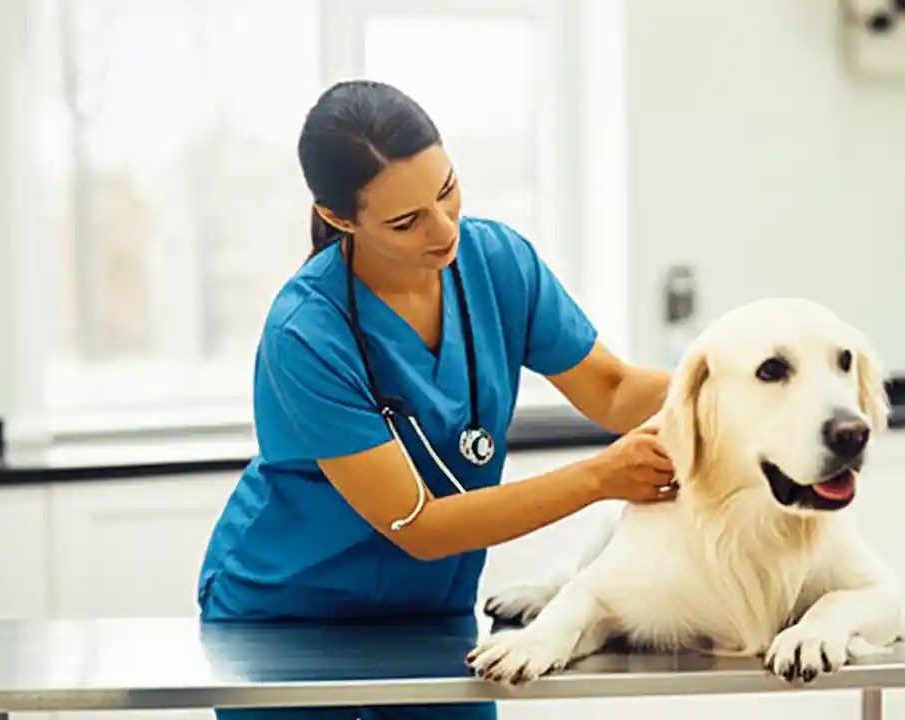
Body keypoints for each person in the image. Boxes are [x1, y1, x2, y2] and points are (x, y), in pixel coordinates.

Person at [195, 79, 677, 719]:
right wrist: (601, 478)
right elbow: (417, 526)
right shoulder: (306, 333)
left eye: (447, 189)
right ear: (341, 219)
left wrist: (741, 374)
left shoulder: (498, 262)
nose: (444, 227)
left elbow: (614, 394)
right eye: (406, 219)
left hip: (428, 611)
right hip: (287, 616)